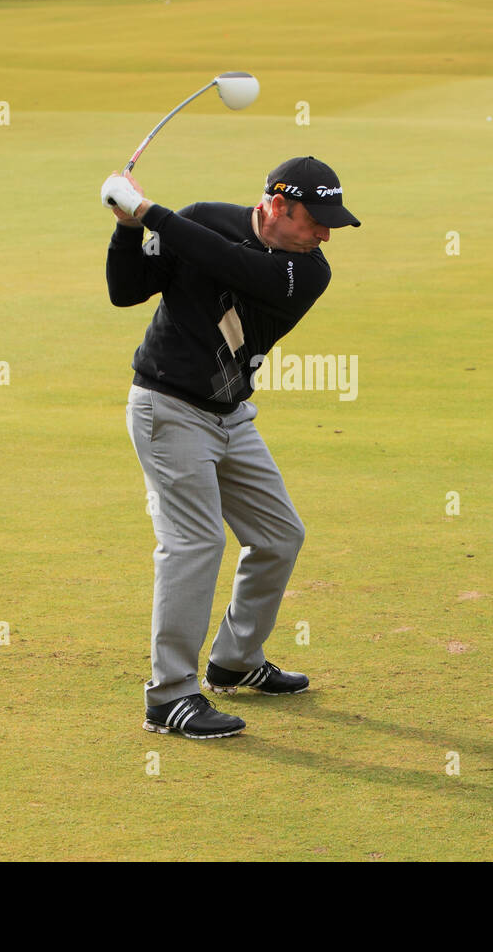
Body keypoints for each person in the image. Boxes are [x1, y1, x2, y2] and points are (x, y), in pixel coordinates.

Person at [100, 157, 361, 740]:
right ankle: (169, 696)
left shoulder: (307, 272)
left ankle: (235, 660)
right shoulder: (199, 220)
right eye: (315, 220)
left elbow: (234, 265)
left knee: (279, 534)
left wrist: (150, 212)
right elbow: (126, 292)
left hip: (230, 417)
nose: (324, 234)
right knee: (194, 542)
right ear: (276, 203)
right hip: (167, 409)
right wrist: (126, 226)